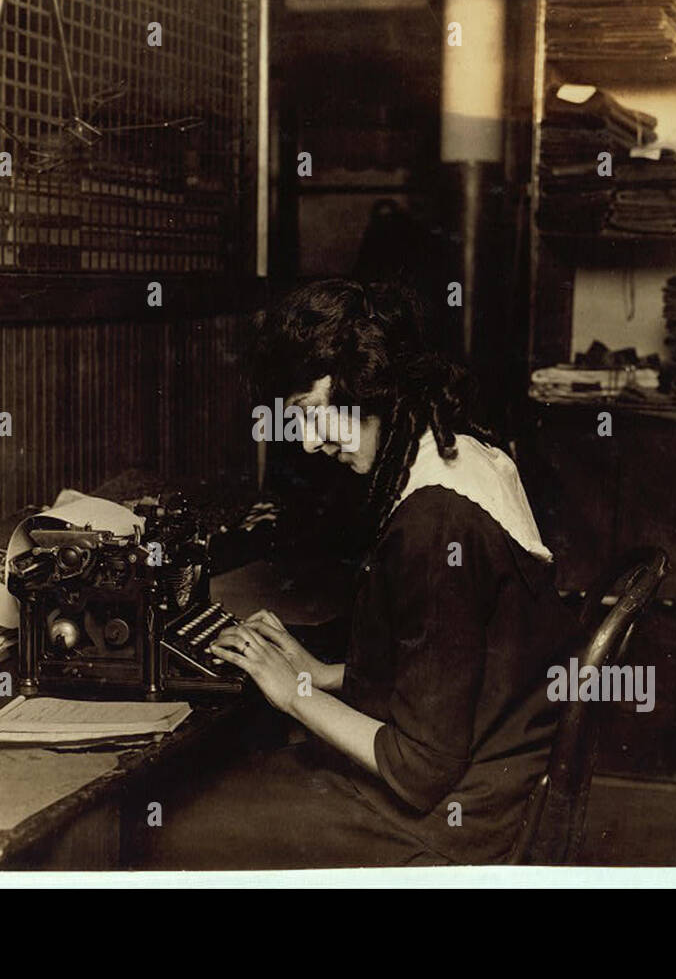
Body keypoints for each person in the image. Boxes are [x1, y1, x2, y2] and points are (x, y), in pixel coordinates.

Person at [137, 279, 579, 869]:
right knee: (239, 780)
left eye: (311, 414)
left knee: (166, 826)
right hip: (495, 782)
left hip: (457, 823)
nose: (310, 443)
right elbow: (463, 661)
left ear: (372, 386)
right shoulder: (468, 454)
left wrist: (293, 694)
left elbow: (419, 769)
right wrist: (324, 674)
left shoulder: (435, 523)